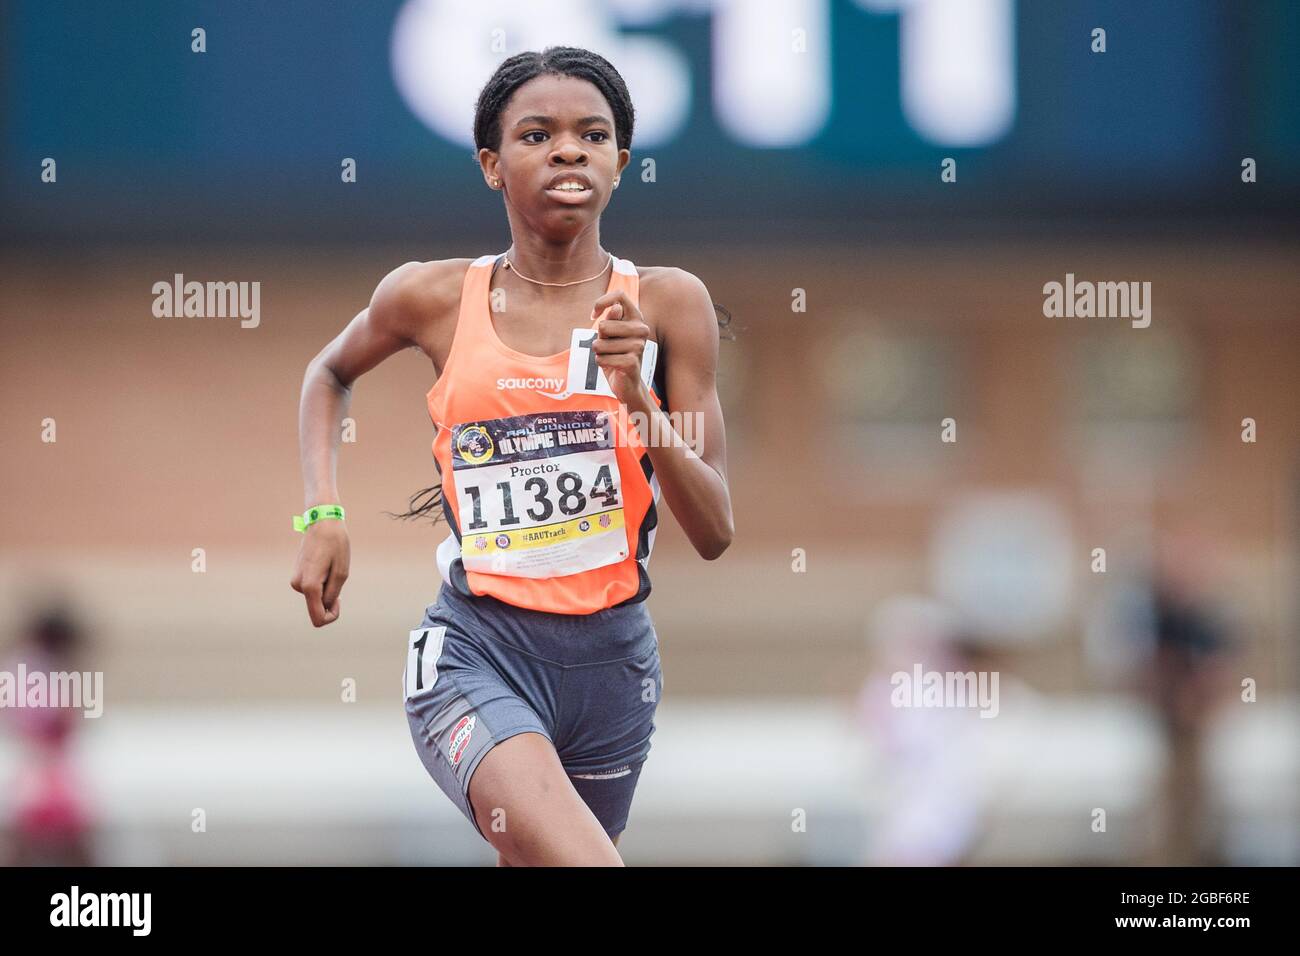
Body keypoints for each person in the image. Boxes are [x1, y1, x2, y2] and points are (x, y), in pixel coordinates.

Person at [290, 47, 734, 866]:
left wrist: (639, 401)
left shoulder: (671, 303)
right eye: (538, 134)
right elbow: (328, 372)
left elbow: (715, 528)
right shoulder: (428, 296)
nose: (569, 150)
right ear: (492, 165)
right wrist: (322, 514)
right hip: (476, 650)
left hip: (614, 669)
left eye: (592, 135)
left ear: (620, 163)